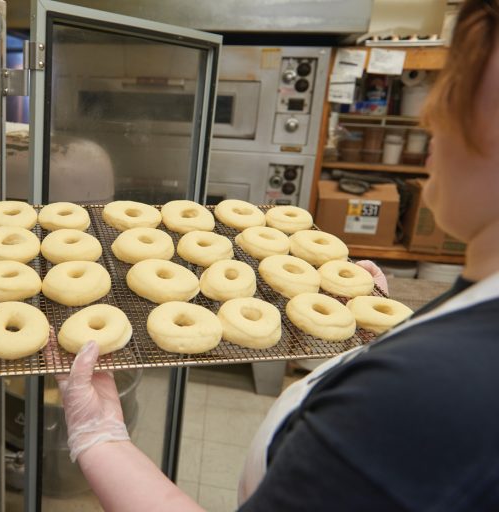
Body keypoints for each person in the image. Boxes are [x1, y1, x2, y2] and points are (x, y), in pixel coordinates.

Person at [55, 1, 499, 510]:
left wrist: (101, 439)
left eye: (455, 99)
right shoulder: (471, 317)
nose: (429, 121)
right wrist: (392, 337)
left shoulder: (433, 391)